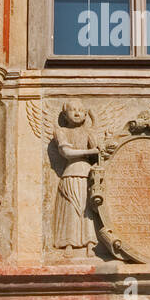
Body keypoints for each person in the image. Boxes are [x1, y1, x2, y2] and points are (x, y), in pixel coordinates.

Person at [49, 99, 99, 254]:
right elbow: (67, 153)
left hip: (86, 174)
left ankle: (90, 243)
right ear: (64, 114)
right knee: (70, 209)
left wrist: (94, 127)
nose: (77, 113)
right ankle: (68, 243)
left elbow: (99, 151)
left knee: (87, 209)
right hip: (70, 173)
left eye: (81, 110)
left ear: (85, 114)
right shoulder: (61, 131)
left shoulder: (87, 132)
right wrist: (90, 152)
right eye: (73, 110)